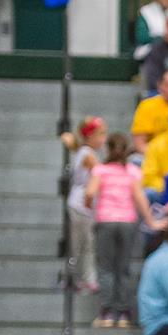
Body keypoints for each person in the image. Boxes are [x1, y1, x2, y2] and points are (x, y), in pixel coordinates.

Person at [86, 133, 157, 328]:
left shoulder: (100, 170)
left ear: (107, 149)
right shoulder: (133, 171)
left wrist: (89, 206)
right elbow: (140, 197)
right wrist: (151, 221)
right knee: (123, 268)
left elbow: (90, 192)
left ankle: (107, 312)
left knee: (106, 267)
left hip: (106, 220)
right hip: (127, 221)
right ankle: (124, 313)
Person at [63, 116, 105, 293]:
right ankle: (73, 277)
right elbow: (101, 173)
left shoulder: (86, 152)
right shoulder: (88, 155)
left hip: (85, 207)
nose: (104, 139)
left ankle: (87, 278)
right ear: (90, 136)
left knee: (88, 243)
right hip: (81, 206)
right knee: (80, 244)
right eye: (101, 134)